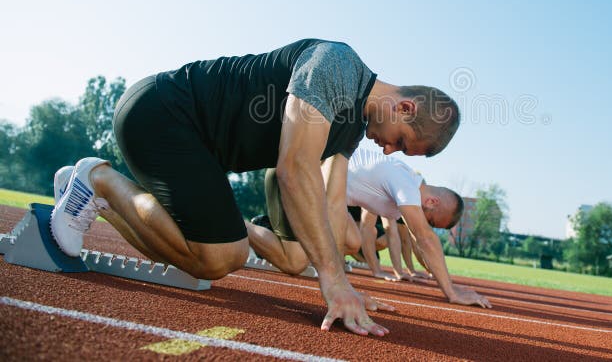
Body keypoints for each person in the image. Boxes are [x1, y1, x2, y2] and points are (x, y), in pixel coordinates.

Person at [49, 38, 460, 337]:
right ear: (405, 107)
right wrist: (332, 280)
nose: (389, 150)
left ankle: (97, 193)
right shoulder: (338, 65)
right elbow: (293, 168)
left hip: (201, 153)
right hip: (160, 113)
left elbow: (333, 204)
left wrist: (343, 280)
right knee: (221, 256)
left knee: (224, 258)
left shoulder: (351, 126)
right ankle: (97, 179)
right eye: (401, 141)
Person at [250, 148, 490, 308]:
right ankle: (244, 228)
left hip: (326, 196)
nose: (428, 226)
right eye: (433, 221)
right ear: (432, 202)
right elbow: (425, 239)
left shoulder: (402, 191)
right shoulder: (404, 185)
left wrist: (445, 281)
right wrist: (451, 292)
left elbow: (384, 231)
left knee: (353, 242)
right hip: (304, 179)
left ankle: (298, 248)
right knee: (294, 263)